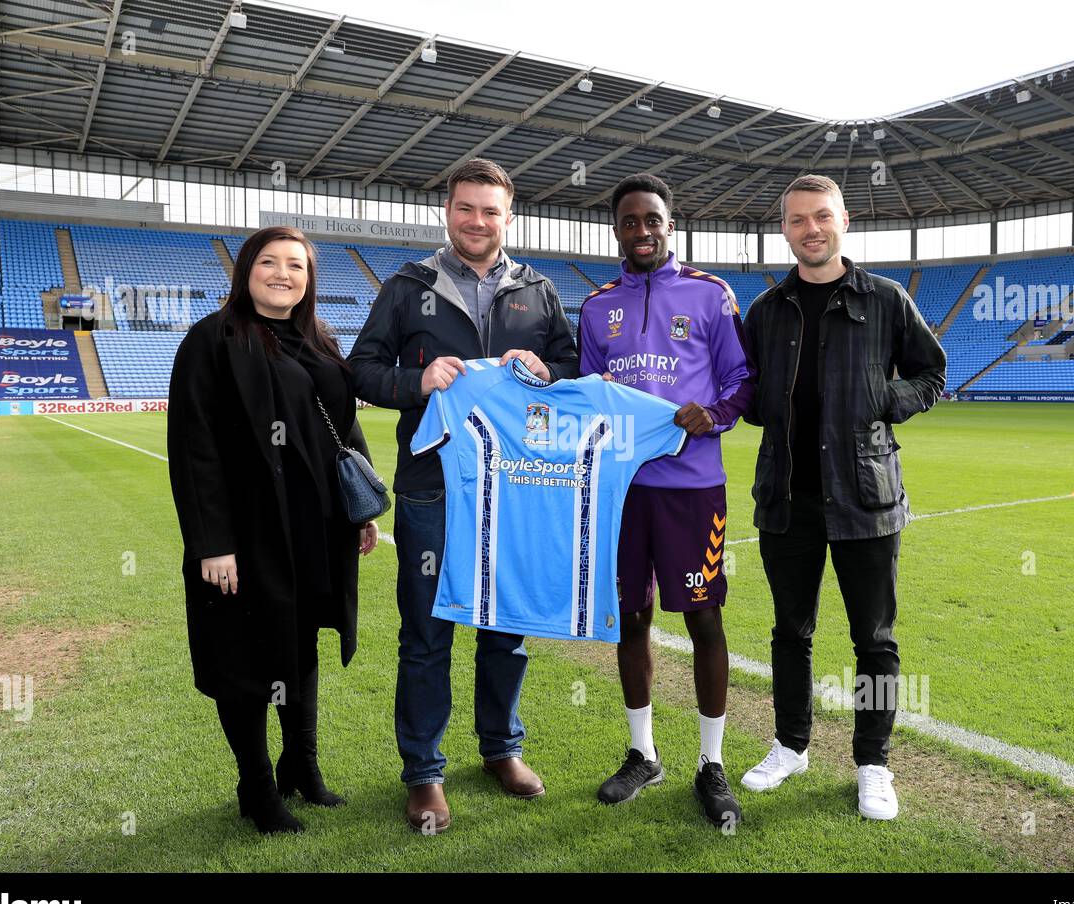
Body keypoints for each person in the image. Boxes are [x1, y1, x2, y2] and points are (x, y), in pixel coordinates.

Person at [348, 157, 579, 834]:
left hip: (518, 489)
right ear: (446, 211)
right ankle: (424, 772)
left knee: (506, 629)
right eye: (465, 208)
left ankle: (501, 748)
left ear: (509, 217)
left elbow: (571, 368)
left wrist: (546, 368)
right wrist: (417, 381)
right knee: (428, 632)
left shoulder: (538, 291)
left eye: (490, 210)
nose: (477, 221)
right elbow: (362, 369)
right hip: (433, 488)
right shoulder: (406, 286)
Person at [737, 174, 945, 820]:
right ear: (785, 230)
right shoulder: (768, 311)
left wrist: (890, 401)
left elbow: (931, 370)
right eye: (798, 220)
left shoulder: (886, 300)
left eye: (821, 217)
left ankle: (873, 762)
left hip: (866, 497)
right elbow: (743, 394)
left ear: (844, 221)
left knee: (874, 639)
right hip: (787, 500)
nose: (811, 229)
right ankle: (791, 744)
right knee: (789, 632)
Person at [168, 225, 380, 835]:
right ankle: (257, 786)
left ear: (309, 279)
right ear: (246, 270)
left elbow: (344, 429)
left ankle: (301, 768)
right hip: (246, 529)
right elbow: (194, 448)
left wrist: (358, 509)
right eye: (269, 262)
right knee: (243, 655)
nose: (283, 274)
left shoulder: (319, 339)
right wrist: (212, 544)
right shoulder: (211, 340)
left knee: (300, 641)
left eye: (297, 265)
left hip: (314, 526)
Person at [577, 173, 753, 827]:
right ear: (617, 229)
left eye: (652, 219)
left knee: (704, 618)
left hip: (691, 489)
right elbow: (588, 396)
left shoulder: (711, 294)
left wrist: (713, 415)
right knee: (631, 618)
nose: (642, 230)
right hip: (622, 489)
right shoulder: (597, 307)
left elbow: (742, 379)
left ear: (668, 225)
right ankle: (642, 752)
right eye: (629, 221)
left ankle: (712, 763)